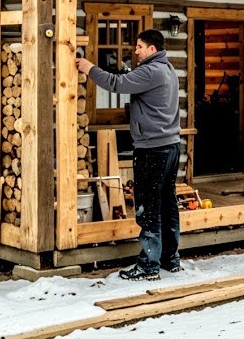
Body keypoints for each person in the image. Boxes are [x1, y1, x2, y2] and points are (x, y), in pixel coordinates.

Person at [76, 29, 182, 281]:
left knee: (148, 206)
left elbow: (117, 84)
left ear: (152, 50)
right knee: (167, 202)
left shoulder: (150, 71)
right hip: (171, 147)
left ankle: (148, 265)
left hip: (152, 149)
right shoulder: (167, 69)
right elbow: (132, 79)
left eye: (139, 46)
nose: (135, 51)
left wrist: (89, 67)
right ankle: (170, 258)